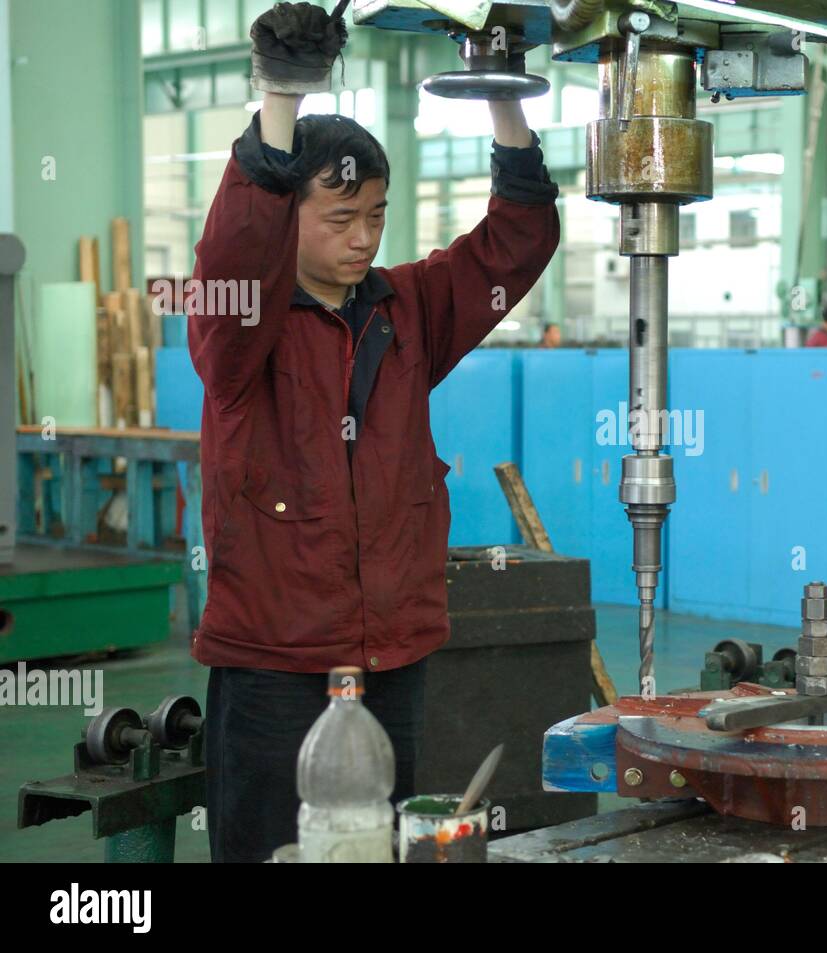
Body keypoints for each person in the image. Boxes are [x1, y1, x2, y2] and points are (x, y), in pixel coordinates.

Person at [187, 1, 559, 862]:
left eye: (377, 216)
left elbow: (515, 245)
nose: (364, 239)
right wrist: (280, 98)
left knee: (371, 851)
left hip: (393, 655)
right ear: (289, 214)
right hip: (275, 662)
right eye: (340, 218)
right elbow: (234, 249)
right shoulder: (242, 327)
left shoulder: (409, 309)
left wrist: (499, 91)